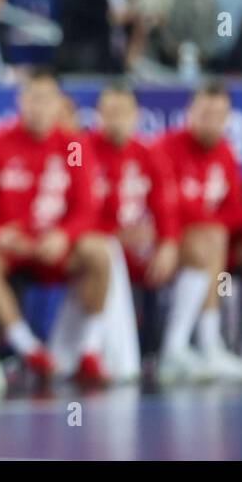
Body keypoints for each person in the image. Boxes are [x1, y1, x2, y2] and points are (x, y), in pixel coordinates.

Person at [0, 70, 111, 386]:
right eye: (32, 98)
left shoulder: (74, 147)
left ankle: (89, 349)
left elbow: (88, 209)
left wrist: (63, 235)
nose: (39, 106)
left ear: (60, 103)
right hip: (11, 250)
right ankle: (27, 347)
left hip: (56, 250)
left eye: (46, 98)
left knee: (99, 250)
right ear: (20, 100)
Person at [152, 83, 242, 381]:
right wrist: (207, 223)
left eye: (218, 114)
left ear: (228, 118)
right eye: (204, 113)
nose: (211, 121)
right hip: (166, 241)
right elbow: (167, 206)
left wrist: (236, 221)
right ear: (190, 113)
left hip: (211, 243)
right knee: (211, 237)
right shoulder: (165, 147)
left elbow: (236, 209)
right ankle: (187, 346)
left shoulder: (225, 152)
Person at [83, 84, 181, 371]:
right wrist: (114, 236)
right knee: (104, 251)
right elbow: (76, 211)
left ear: (136, 115)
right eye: (110, 112)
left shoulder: (149, 153)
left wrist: (168, 244)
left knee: (201, 245)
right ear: (98, 115)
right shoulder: (79, 151)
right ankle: (97, 351)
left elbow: (166, 207)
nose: (117, 119)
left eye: (123, 112)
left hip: (141, 250)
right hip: (100, 249)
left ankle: (176, 350)